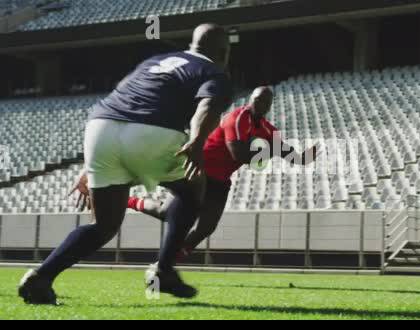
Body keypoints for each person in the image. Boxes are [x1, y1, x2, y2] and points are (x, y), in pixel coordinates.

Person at [18, 24, 233, 305]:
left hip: (100, 129)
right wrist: (197, 140)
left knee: (103, 225)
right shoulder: (215, 71)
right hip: (151, 131)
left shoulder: (152, 61)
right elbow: (207, 106)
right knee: (193, 188)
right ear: (223, 51)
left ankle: (40, 277)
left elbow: (123, 99)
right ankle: (164, 269)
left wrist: (89, 164)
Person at [126, 86, 317, 259]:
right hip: (199, 170)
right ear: (251, 99)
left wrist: (304, 158)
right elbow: (238, 153)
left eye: (265, 101)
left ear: (269, 106)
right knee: (165, 212)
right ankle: (130, 200)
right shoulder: (237, 117)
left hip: (220, 179)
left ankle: (174, 256)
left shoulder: (269, 130)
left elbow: (285, 150)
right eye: (257, 99)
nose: (260, 104)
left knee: (207, 226)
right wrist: (266, 152)